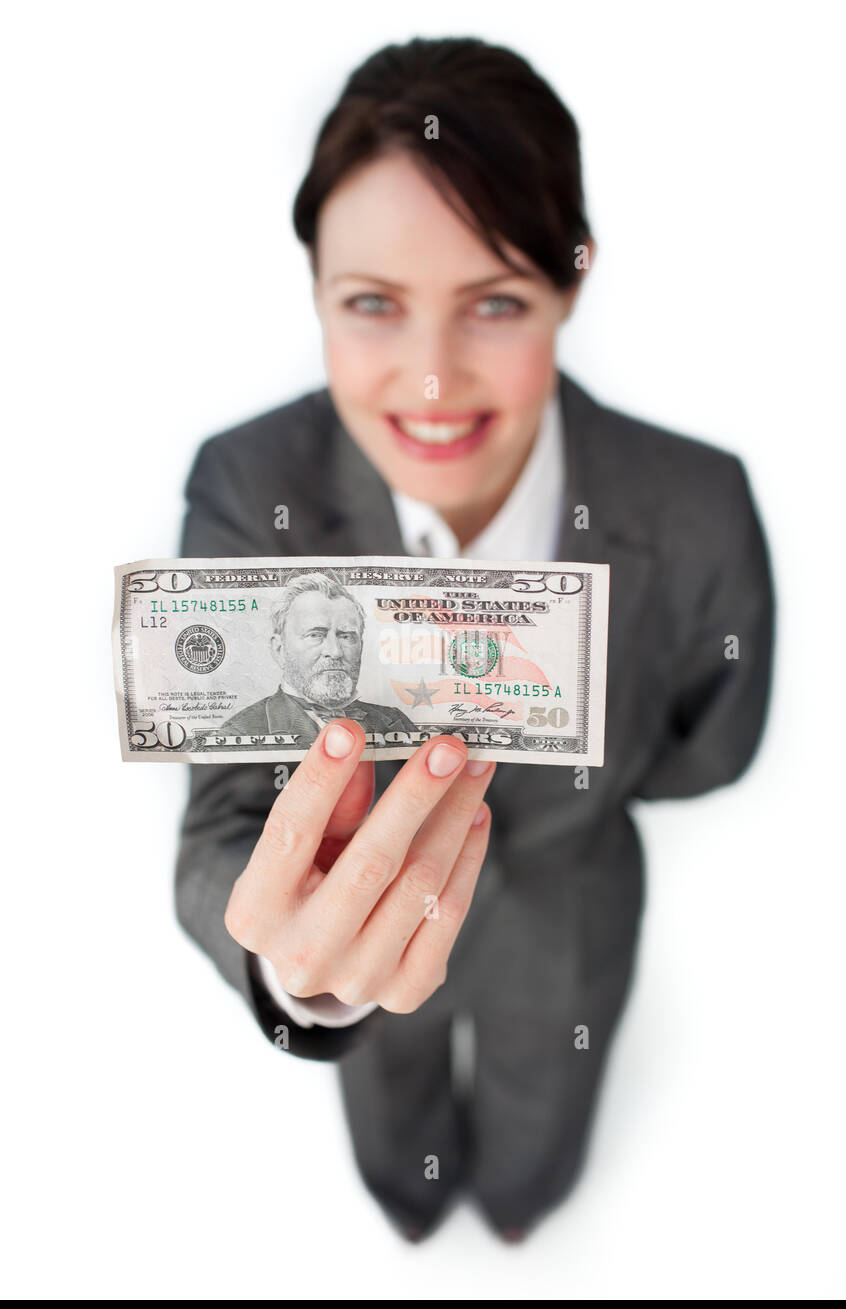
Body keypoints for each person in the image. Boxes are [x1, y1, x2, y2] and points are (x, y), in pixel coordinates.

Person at [174, 36, 775, 1242]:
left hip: (569, 912)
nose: (433, 381)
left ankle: (520, 1212)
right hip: (359, 939)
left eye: (493, 301)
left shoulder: (697, 503)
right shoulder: (248, 488)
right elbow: (224, 807)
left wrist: (581, 791)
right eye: (373, 306)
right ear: (315, 291)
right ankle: (410, 1207)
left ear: (569, 279)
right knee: (389, 1107)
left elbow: (714, 741)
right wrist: (305, 970)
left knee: (539, 1127)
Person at [218, 571, 417, 738]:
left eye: (346, 636)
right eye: (316, 635)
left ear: (361, 647)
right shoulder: (238, 732)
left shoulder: (396, 722)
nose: (335, 651)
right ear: (279, 649)